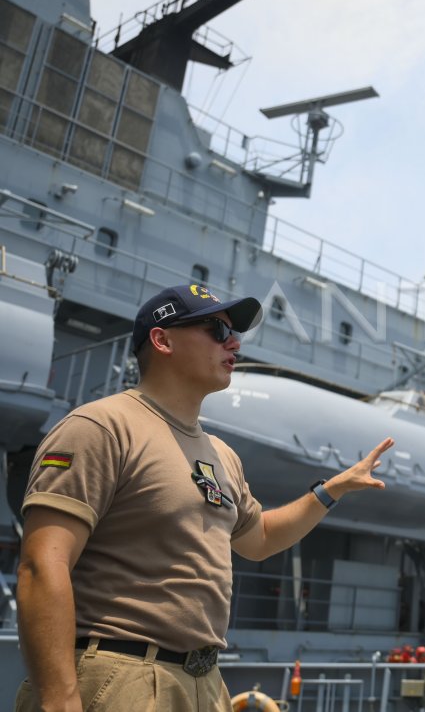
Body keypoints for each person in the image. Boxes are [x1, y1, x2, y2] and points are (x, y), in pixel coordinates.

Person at [14, 284, 395, 712]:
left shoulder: (221, 455)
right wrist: (59, 699)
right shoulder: (102, 427)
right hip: (121, 676)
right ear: (162, 340)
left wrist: (332, 490)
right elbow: (42, 564)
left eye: (234, 333)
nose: (234, 342)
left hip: (204, 683)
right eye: (216, 329)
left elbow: (260, 539)